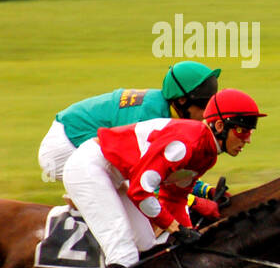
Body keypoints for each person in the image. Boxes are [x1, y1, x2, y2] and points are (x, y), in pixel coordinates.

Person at [62, 88, 264, 268]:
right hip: (91, 169)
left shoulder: (207, 153)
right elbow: (142, 191)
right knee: (123, 252)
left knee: (150, 246)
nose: (248, 139)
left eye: (251, 131)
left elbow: (174, 197)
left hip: (117, 174)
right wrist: (175, 229)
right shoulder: (187, 144)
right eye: (242, 130)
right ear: (220, 125)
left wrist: (189, 232)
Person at [38, 61, 222, 185]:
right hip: (64, 145)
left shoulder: (166, 107)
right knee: (125, 192)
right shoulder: (152, 116)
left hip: (76, 134)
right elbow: (147, 178)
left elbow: (170, 171)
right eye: (205, 105)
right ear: (182, 101)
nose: (207, 114)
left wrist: (200, 190)